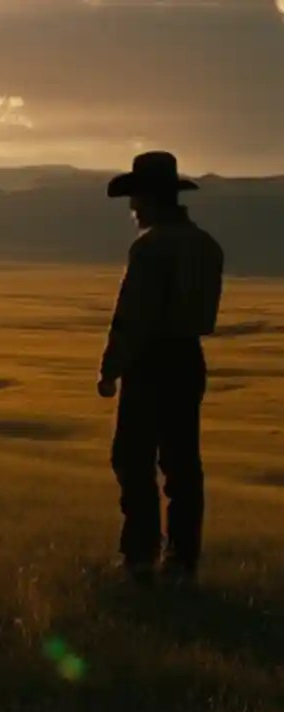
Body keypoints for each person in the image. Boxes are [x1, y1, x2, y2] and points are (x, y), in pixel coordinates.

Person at [98, 151, 223, 586]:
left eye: (136, 199)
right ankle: (183, 560)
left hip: (150, 362)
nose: (132, 209)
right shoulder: (207, 246)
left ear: (151, 199)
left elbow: (133, 316)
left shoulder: (150, 248)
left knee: (132, 459)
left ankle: (140, 556)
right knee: (183, 463)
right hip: (189, 359)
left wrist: (111, 368)